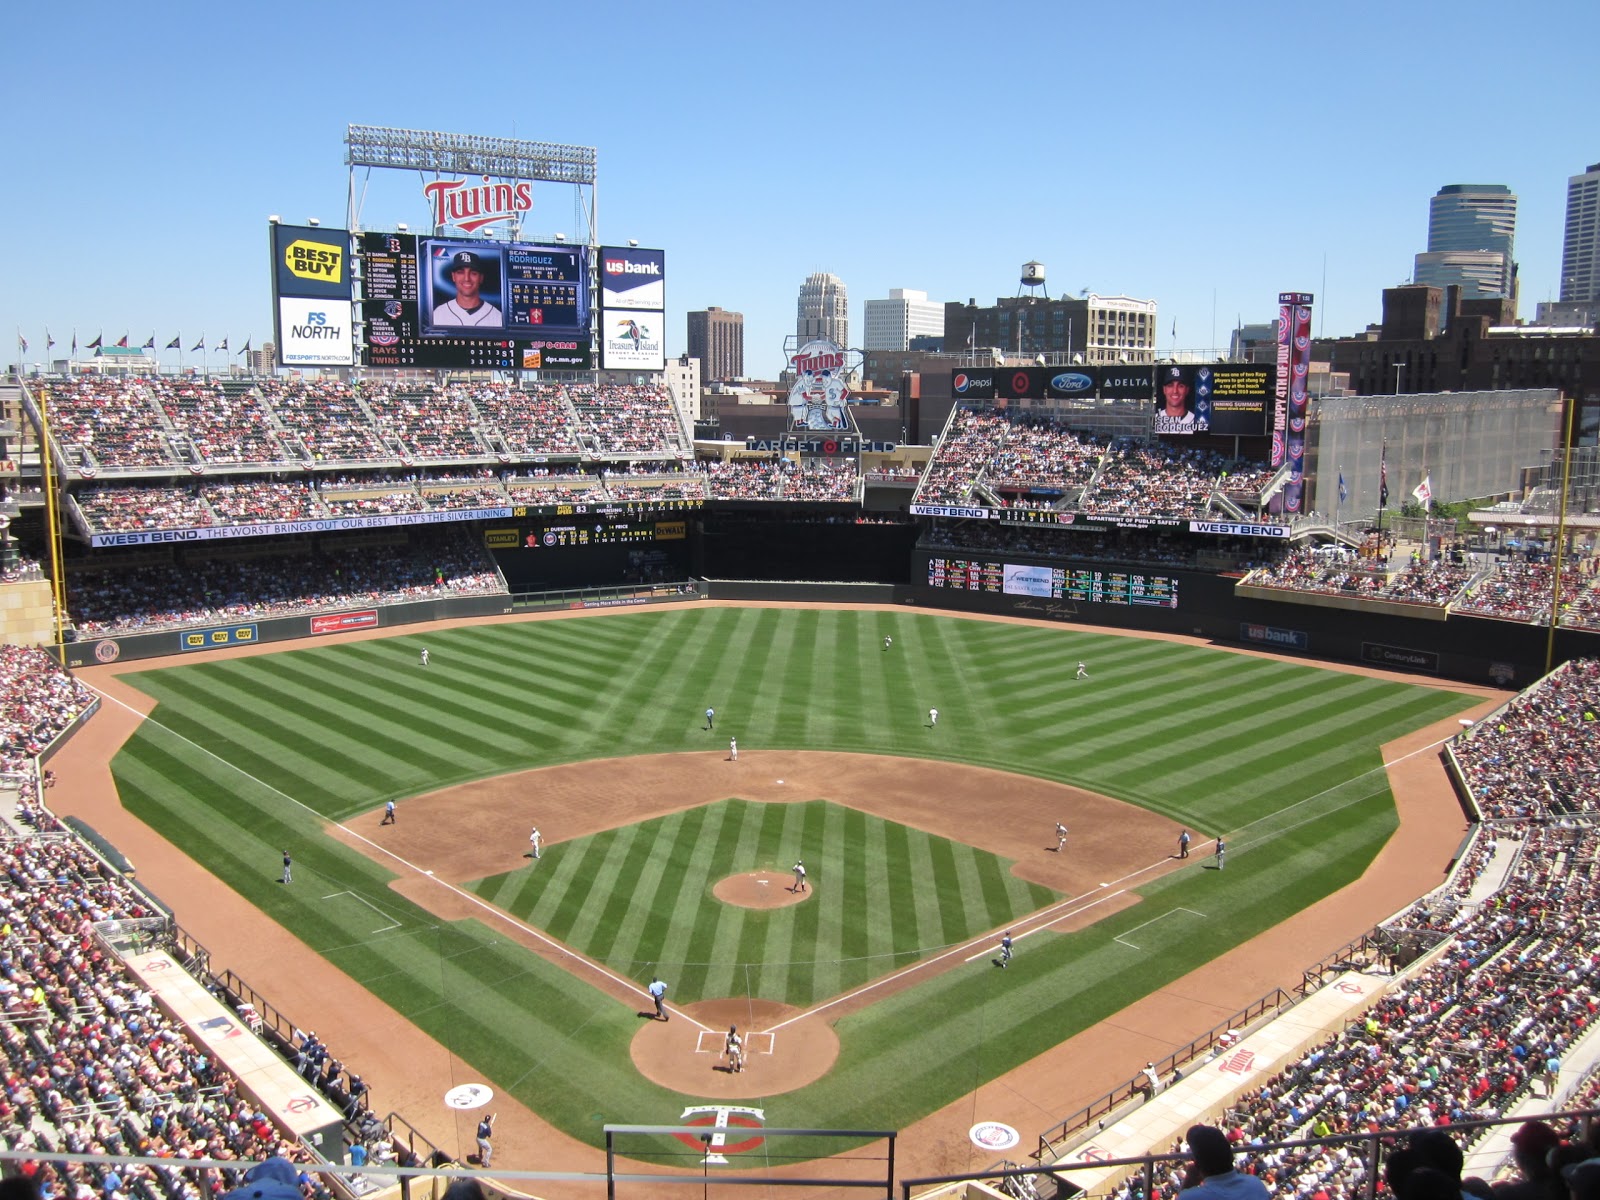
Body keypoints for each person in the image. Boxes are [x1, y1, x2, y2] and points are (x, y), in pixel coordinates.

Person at [1179, 1123, 1269, 1199]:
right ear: (1231, 1156)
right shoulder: (1255, 1185)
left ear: (1198, 1166)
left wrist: (1189, 1181)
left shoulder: (1191, 1197)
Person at [432, 251, 502, 327]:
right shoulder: (438, 314)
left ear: (481, 278)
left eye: (473, 273)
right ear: (453, 276)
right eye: (460, 272)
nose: (466, 278)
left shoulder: (497, 317)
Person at [1154, 366, 1197, 433]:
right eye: (1170, 385)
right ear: (1164, 389)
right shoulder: (1156, 418)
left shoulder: (1195, 420)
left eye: (1180, 386)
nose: (1175, 391)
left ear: (1187, 390)